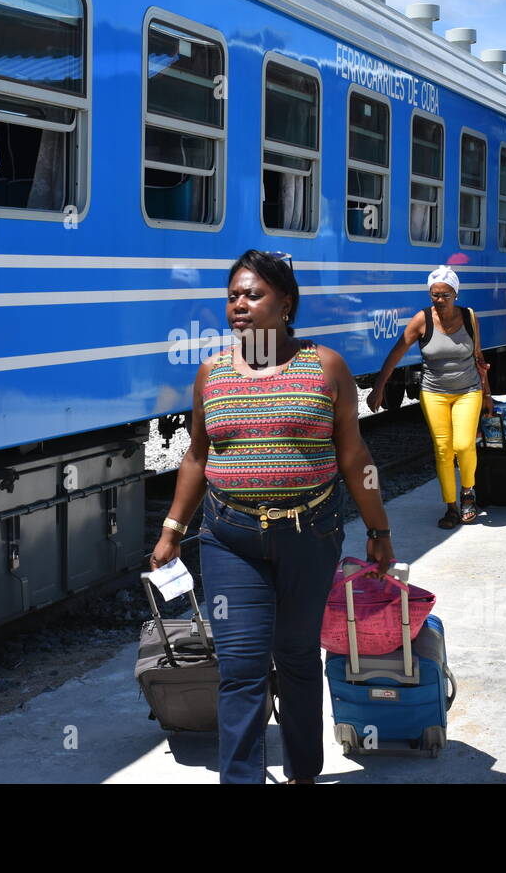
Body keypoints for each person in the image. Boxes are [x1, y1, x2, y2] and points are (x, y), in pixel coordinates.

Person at [149, 249, 395, 784]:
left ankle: (304, 772)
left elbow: (354, 456)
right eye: (233, 295)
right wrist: (173, 528)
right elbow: (196, 455)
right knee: (240, 670)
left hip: (311, 535)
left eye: (252, 294)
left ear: (286, 304)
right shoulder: (211, 372)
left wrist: (380, 530)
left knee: (298, 657)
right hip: (229, 537)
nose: (239, 304)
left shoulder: (324, 366)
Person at [369, 265, 492, 529]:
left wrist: (488, 394)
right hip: (434, 391)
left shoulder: (469, 317)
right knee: (443, 450)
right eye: (434, 295)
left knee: (463, 444)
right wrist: (379, 386)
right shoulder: (422, 320)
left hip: (468, 390)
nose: (439, 300)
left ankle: (468, 493)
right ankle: (450, 508)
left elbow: (479, 358)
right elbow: (396, 353)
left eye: (445, 295)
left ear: (455, 294)